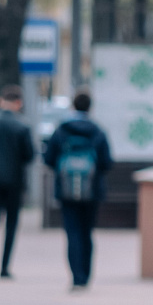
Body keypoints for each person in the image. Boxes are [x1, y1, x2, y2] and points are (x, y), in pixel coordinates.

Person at [43, 88, 113, 290]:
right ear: (90, 107)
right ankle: (86, 276)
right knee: (87, 232)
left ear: (73, 105)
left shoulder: (61, 130)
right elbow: (107, 162)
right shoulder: (97, 131)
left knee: (72, 232)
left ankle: (76, 277)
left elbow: (49, 158)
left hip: (66, 190)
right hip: (92, 190)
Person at [0, 84, 35, 279]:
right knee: (11, 224)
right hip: (14, 181)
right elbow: (29, 155)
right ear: (18, 103)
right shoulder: (22, 126)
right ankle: (4, 266)